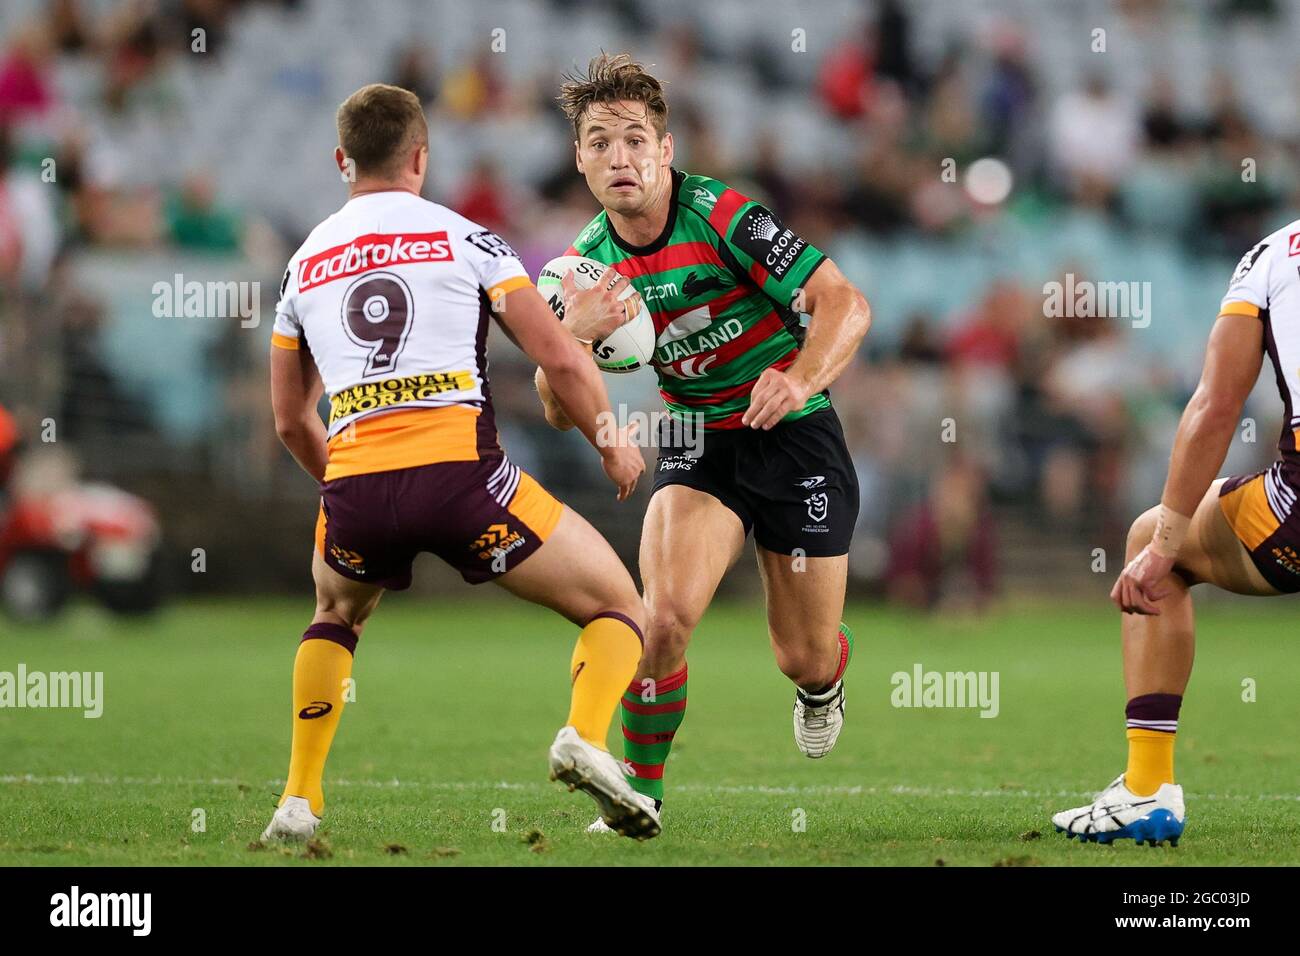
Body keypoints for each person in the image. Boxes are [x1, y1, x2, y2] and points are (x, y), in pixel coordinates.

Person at [260, 83, 658, 843]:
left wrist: (347, 489)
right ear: (421, 158)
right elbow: (560, 362)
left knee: (336, 613)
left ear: (342, 160)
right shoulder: (467, 239)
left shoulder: (303, 263)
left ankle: (299, 801)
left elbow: (287, 419)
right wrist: (611, 441)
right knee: (617, 606)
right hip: (465, 481)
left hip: (354, 481)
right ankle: (584, 736)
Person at [534, 54, 873, 831]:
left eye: (633, 140)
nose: (618, 158)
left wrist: (798, 375)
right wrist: (571, 341)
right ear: (578, 159)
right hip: (697, 435)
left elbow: (845, 303)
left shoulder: (723, 216)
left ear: (666, 149)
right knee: (661, 622)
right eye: (598, 143)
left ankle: (825, 680)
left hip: (793, 432)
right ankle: (638, 793)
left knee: (803, 656)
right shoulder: (582, 268)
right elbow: (556, 409)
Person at [1053, 224, 1300, 846]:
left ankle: (1146, 788)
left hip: (1293, 515)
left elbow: (1217, 405)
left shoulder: (1273, 256)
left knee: (1147, 538)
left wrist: (1164, 546)